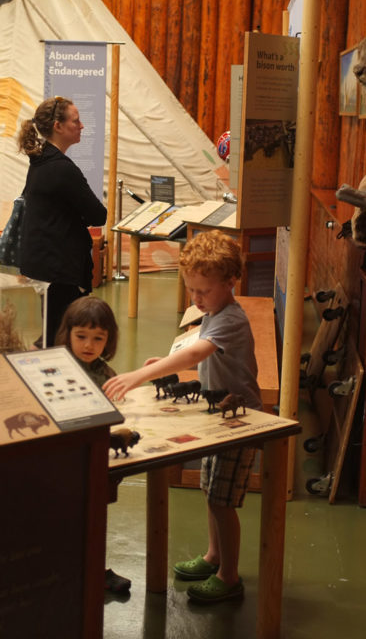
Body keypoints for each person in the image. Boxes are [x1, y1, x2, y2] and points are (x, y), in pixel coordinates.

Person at [102, 230, 261, 604]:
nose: (196, 298)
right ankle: (213, 556)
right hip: (216, 418)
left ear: (229, 282)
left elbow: (195, 356)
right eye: (191, 290)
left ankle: (229, 575)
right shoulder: (214, 312)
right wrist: (167, 365)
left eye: (203, 291)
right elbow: (201, 355)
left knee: (222, 501)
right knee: (210, 490)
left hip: (242, 421)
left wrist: (142, 375)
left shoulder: (231, 319)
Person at [54, 295, 131, 595]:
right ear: (68, 334)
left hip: (97, 458)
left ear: (108, 340)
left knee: (95, 516)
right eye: (81, 336)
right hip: (64, 460)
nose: (88, 345)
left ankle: (93, 566)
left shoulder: (107, 374)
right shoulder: (56, 367)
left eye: (98, 338)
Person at [17, 96, 107, 345]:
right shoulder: (61, 168)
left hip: (46, 264)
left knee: (55, 328)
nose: (82, 126)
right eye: (75, 121)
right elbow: (98, 215)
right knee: (59, 335)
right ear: (58, 126)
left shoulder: (40, 161)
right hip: (59, 267)